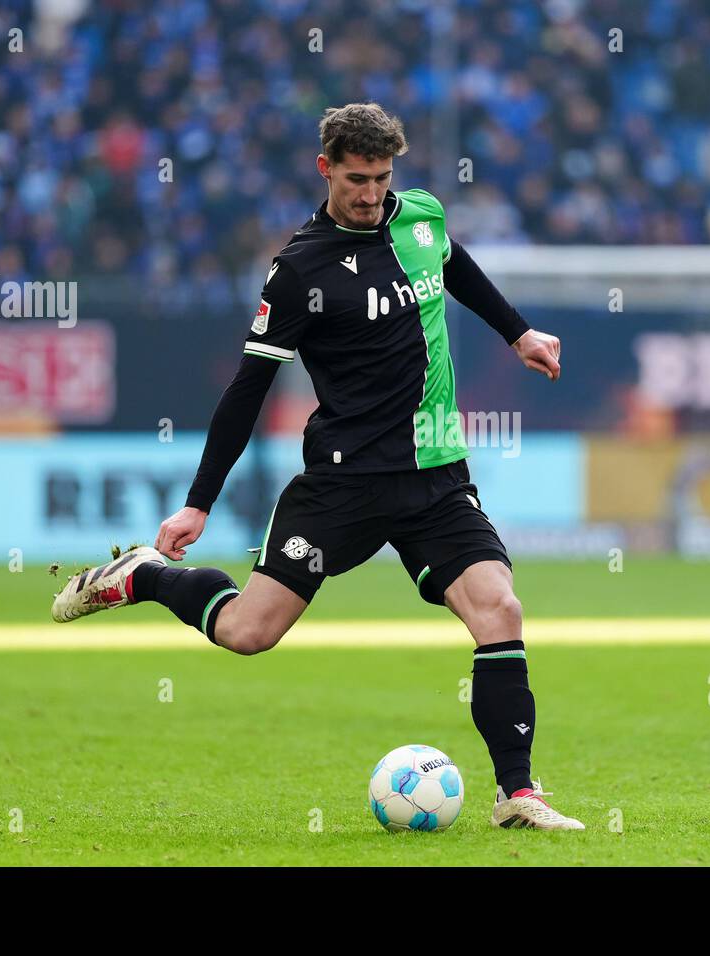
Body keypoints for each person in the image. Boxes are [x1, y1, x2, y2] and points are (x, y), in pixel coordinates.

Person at [52, 102, 583, 830]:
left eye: (382, 178)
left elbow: (455, 266)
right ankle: (143, 576)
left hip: (436, 476)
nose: (370, 195)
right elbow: (248, 388)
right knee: (248, 632)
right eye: (357, 179)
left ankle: (517, 793)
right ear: (326, 168)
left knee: (500, 609)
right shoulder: (299, 269)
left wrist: (517, 332)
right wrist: (199, 503)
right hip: (343, 483)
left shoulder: (420, 217)